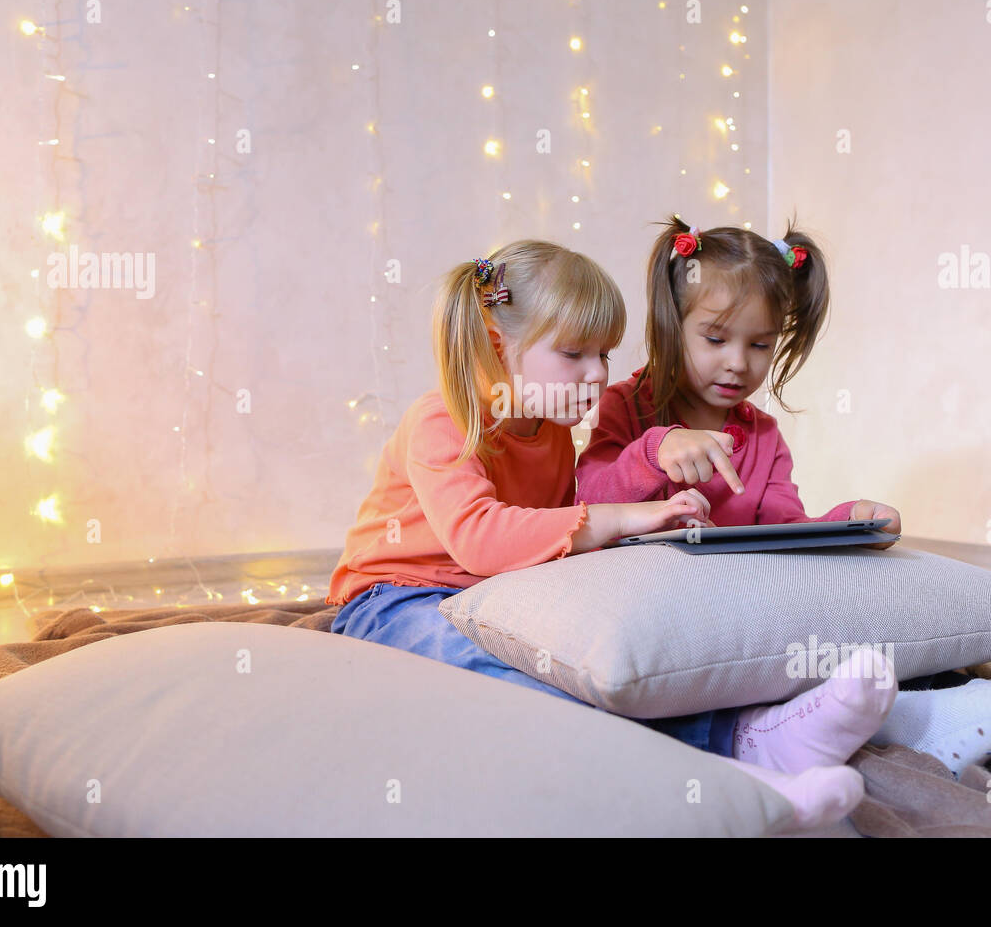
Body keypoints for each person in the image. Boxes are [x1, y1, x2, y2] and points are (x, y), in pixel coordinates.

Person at [327, 240, 902, 831]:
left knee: (589, 661)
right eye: (575, 353)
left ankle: (750, 739)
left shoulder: (551, 436)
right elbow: (481, 539)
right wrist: (623, 516)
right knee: (512, 678)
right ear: (499, 347)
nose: (599, 374)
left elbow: (553, 539)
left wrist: (657, 524)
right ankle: (710, 775)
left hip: (487, 596)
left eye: (604, 353)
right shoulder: (441, 419)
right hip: (394, 598)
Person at [575, 215, 991, 776]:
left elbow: (785, 529)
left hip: (759, 600)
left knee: (869, 623)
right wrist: (656, 449)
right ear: (673, 325)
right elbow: (585, 497)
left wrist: (849, 521)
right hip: (682, 610)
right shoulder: (628, 405)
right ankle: (931, 720)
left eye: (761, 344)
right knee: (776, 672)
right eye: (716, 339)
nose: (739, 362)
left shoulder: (763, 433)